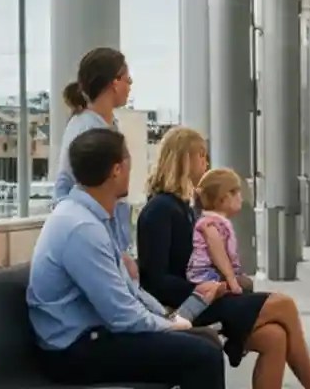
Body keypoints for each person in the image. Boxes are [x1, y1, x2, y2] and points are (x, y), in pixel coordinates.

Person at [26, 128, 225, 389]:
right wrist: (170, 326)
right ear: (117, 170)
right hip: (73, 350)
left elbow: (130, 291)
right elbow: (123, 316)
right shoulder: (81, 228)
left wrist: (168, 320)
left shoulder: (88, 218)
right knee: (203, 356)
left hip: (92, 335)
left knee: (205, 341)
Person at [138, 126, 310, 389]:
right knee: (284, 305)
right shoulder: (159, 209)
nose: (206, 162)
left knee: (275, 337)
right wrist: (204, 289)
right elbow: (154, 280)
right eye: (200, 155)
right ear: (183, 159)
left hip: (206, 297)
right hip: (186, 305)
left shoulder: (186, 208)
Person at [53, 47, 137, 280]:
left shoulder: (106, 124)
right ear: (114, 81)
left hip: (112, 245)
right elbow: (82, 193)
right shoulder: (87, 130)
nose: (130, 85)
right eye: (127, 79)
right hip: (100, 247)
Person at [188, 168, 255, 294]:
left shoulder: (218, 221)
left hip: (216, 272)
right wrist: (232, 281)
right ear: (225, 197)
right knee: (244, 285)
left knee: (246, 283)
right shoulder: (210, 223)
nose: (241, 198)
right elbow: (218, 253)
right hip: (207, 275)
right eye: (238, 193)